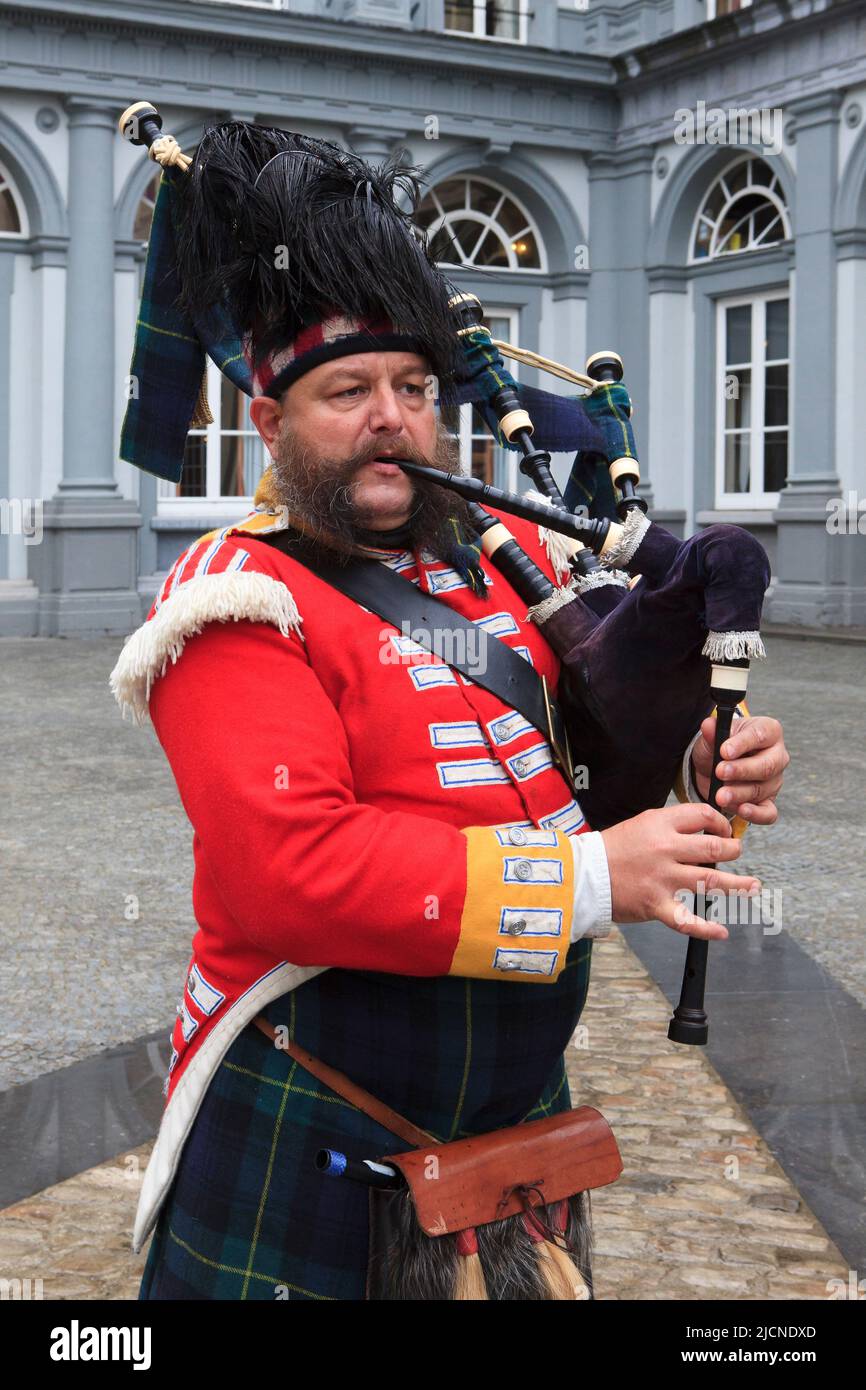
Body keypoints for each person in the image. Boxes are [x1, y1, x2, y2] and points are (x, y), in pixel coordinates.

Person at [110, 120, 789, 1300]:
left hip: (512, 1120)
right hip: (314, 1107)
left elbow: (577, 757)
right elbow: (292, 872)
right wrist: (593, 880)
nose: (393, 418)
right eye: (348, 391)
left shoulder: (502, 557)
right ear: (269, 427)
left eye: (414, 387)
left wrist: (696, 769)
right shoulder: (232, 595)